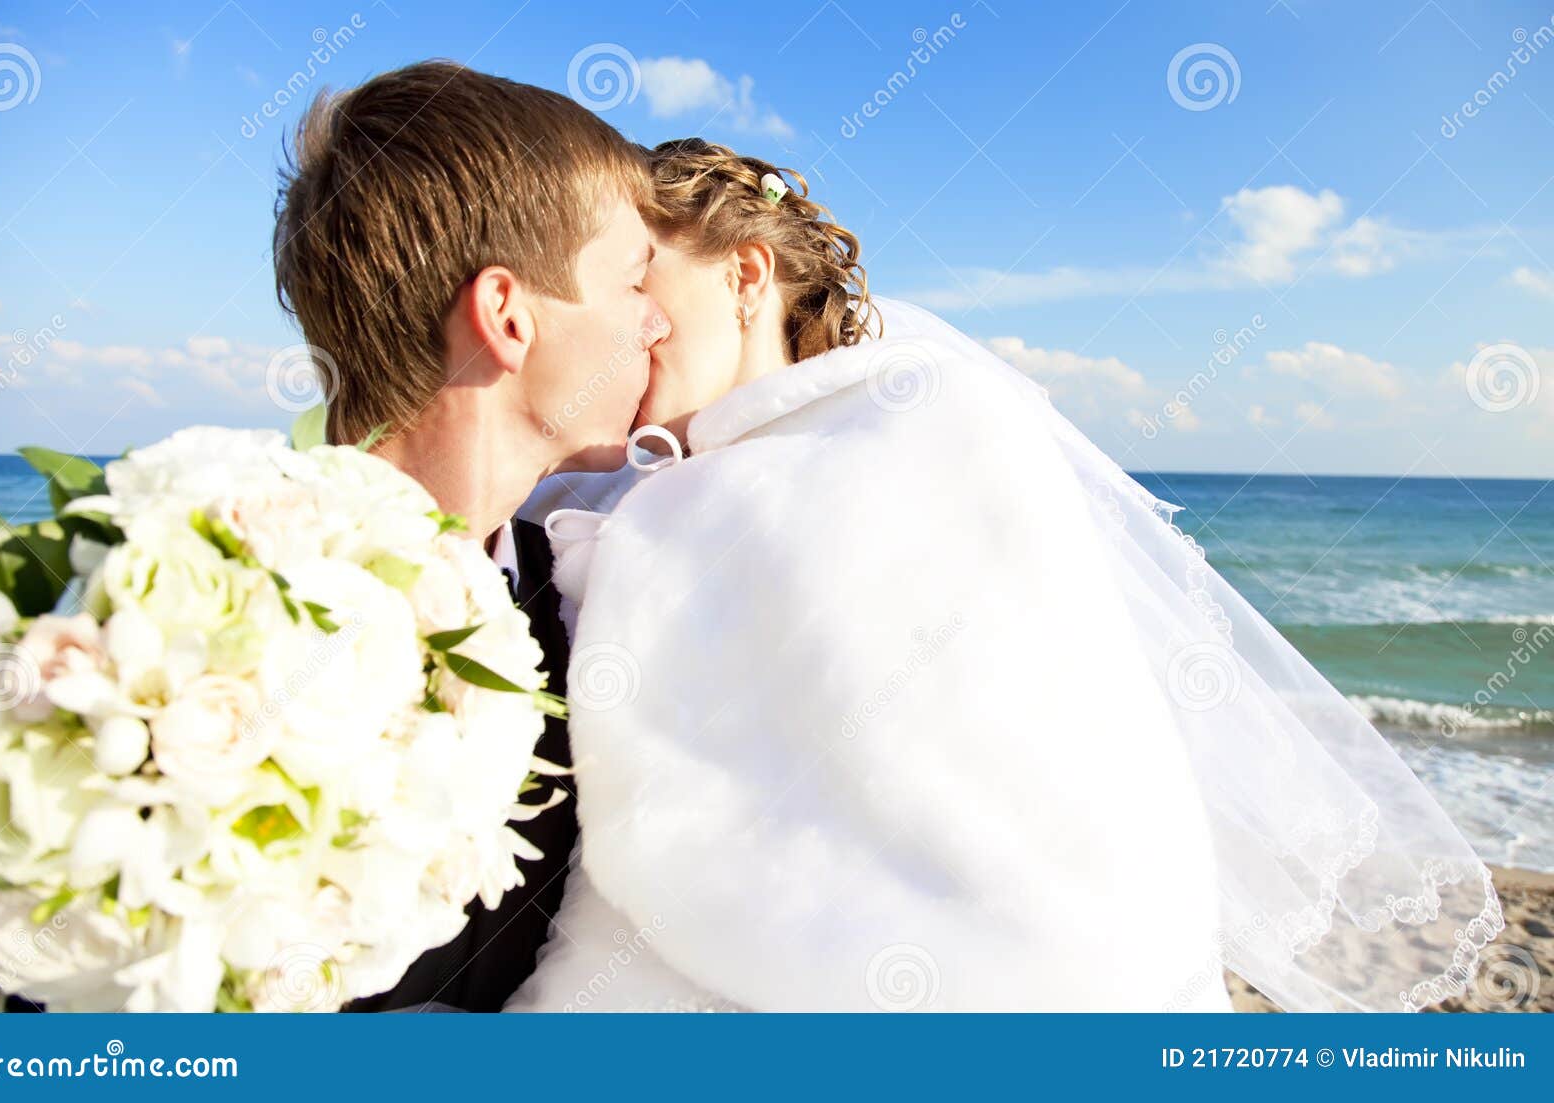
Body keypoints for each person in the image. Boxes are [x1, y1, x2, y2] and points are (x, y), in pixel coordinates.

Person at [505, 140, 1505, 1012]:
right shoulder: (629, 491)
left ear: (744, 274)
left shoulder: (916, 424)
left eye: (642, 278)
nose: (626, 321)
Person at [269, 60, 669, 1012]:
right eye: (633, 279)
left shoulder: (576, 605)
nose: (659, 321)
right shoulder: (230, 605)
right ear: (506, 315)